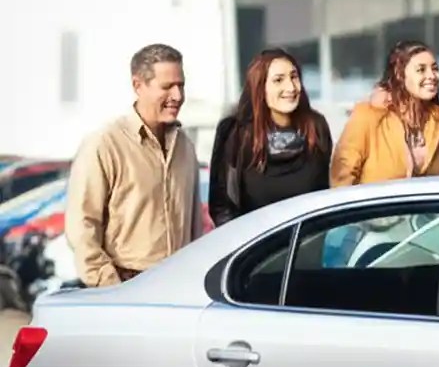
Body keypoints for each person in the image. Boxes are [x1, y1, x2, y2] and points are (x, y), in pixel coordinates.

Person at [65, 43, 204, 286]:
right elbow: (82, 227)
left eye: (181, 85)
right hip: (126, 287)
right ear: (138, 85)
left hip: (180, 289)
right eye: (167, 87)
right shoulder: (105, 144)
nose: (178, 96)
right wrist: (110, 286)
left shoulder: (185, 147)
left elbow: (194, 228)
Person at [208, 48, 332, 226]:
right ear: (260, 87)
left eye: (294, 77)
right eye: (278, 80)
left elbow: (324, 194)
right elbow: (222, 205)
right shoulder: (236, 133)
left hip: (308, 245)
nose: (290, 87)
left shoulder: (316, 127)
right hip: (255, 247)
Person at [330, 40, 439, 186]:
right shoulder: (369, 116)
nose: (432, 76)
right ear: (399, 74)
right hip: (376, 208)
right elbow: (341, 177)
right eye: (421, 70)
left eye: (435, 68)